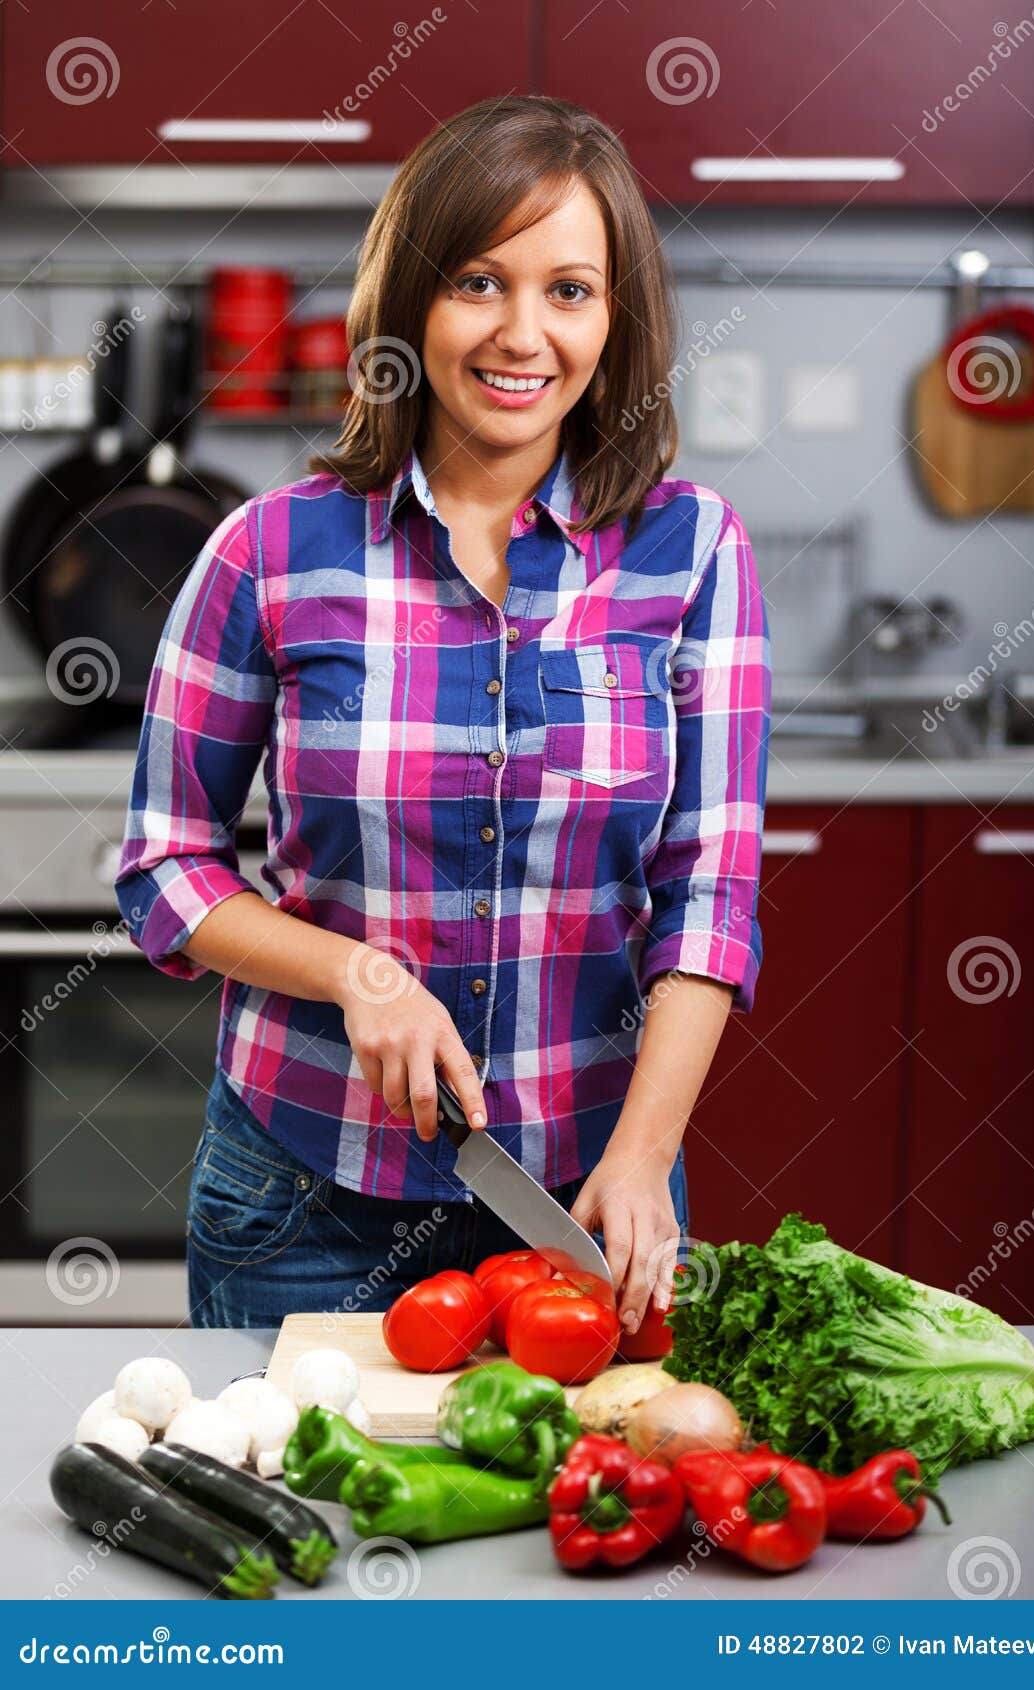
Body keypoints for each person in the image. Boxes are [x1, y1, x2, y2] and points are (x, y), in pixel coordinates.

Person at [115, 95, 770, 1332]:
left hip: (588, 1190)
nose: (524, 333)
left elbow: (709, 894)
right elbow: (164, 867)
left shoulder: (690, 554)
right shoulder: (270, 552)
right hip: (304, 1197)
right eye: (478, 279)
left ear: (614, 318)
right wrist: (355, 974)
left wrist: (640, 1157)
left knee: (568, 1523)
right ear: (410, 302)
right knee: (294, 1518)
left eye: (569, 290)